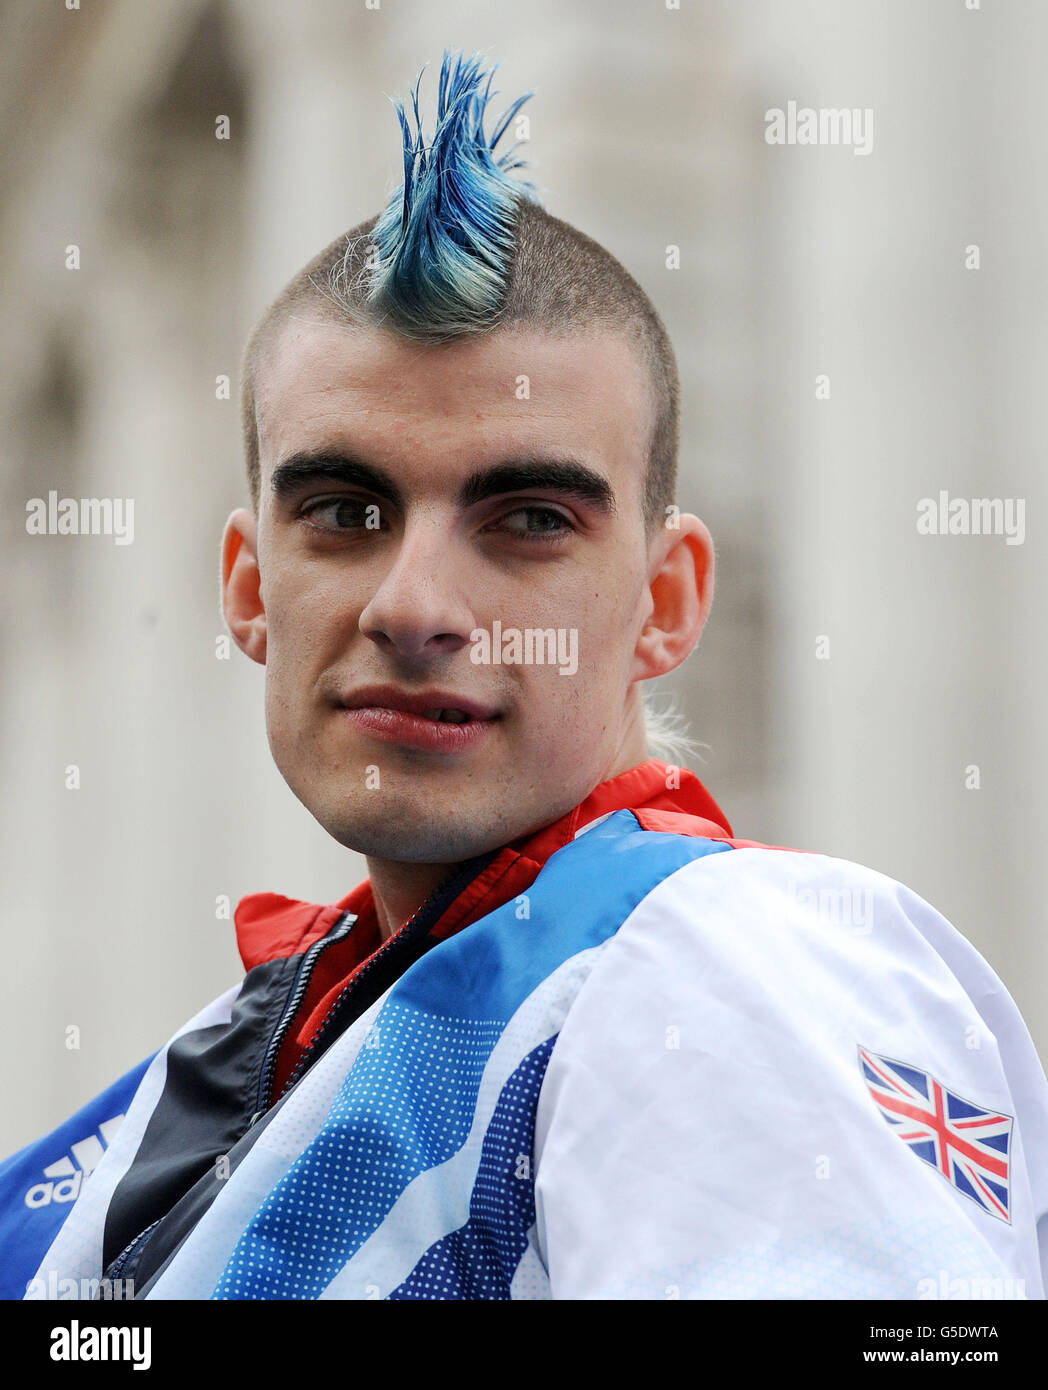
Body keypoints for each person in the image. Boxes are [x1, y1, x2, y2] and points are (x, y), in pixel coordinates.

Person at [3, 48, 1046, 1302]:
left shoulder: (724, 969)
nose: (415, 607)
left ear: (664, 603)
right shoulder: (186, 1087)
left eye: (529, 520)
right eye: (344, 510)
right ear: (246, 588)